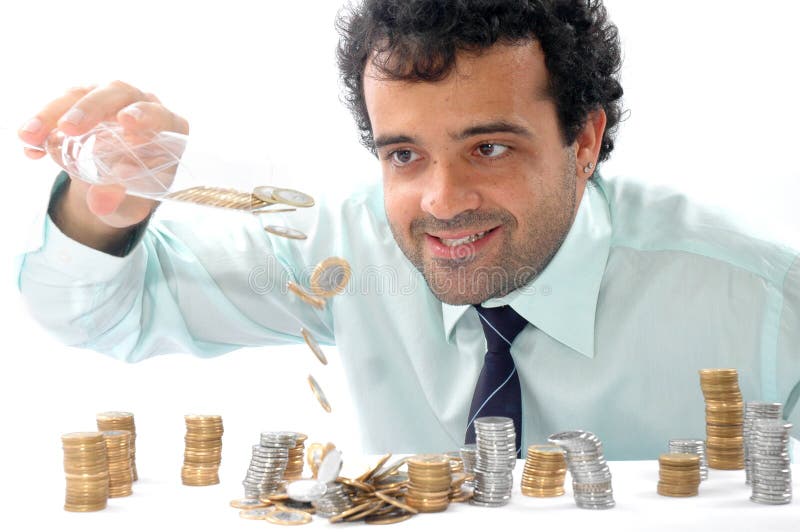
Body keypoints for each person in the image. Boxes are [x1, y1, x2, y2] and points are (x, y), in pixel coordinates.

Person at [16, 0, 799, 459]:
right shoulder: (344, 253)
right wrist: (104, 206)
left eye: (488, 147)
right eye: (404, 154)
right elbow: (102, 313)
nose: (442, 201)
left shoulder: (758, 306)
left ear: (585, 141)